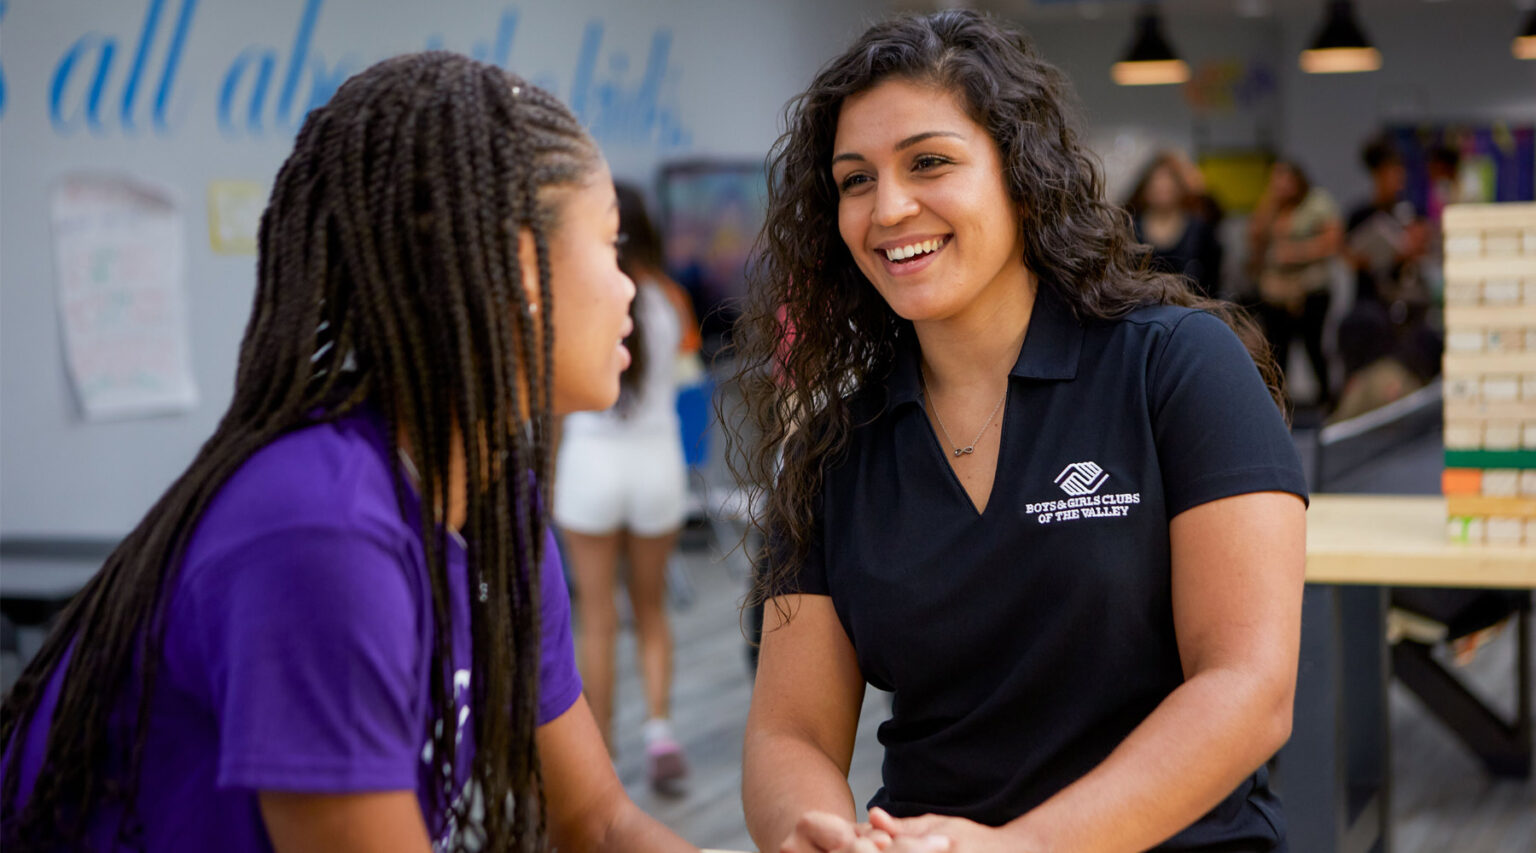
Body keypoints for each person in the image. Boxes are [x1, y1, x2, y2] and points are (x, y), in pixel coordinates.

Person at [0, 53, 694, 853]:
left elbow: (599, 823)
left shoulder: (497, 505)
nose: (629, 287)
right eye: (610, 245)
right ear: (518, 269)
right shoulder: (321, 529)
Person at [728, 11, 1307, 853]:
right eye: (855, 180)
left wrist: (1026, 846)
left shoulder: (1176, 367)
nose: (888, 207)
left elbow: (1248, 687)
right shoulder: (834, 450)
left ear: (1023, 177)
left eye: (929, 162)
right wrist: (815, 834)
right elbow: (791, 733)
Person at [555, 182, 700, 790]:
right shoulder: (669, 297)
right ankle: (661, 733)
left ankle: (603, 758)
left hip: (590, 468)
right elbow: (690, 378)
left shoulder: (582, 293)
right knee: (651, 610)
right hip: (656, 468)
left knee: (596, 619)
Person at [1333, 136, 1441, 419]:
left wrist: (1415, 246)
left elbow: (1425, 251)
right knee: (1361, 326)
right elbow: (1350, 256)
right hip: (1371, 302)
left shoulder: (1411, 213)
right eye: (1392, 171)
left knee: (1425, 338)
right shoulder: (1360, 214)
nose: (1398, 178)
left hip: (1407, 302)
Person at [1247, 159, 1344, 410]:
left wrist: (1297, 252)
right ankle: (1277, 403)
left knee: (1314, 345)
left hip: (1311, 286)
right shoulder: (1271, 206)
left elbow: (1333, 241)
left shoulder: (1316, 202)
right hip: (1275, 289)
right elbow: (1255, 238)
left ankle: (1328, 401)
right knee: (1277, 350)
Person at [1125, 152, 1224, 300]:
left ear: (1179, 188)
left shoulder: (1199, 229)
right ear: (1146, 189)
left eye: (1169, 181)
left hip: (1193, 310)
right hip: (1143, 312)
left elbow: (1214, 280)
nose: (1163, 187)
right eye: (1156, 181)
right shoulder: (1131, 228)